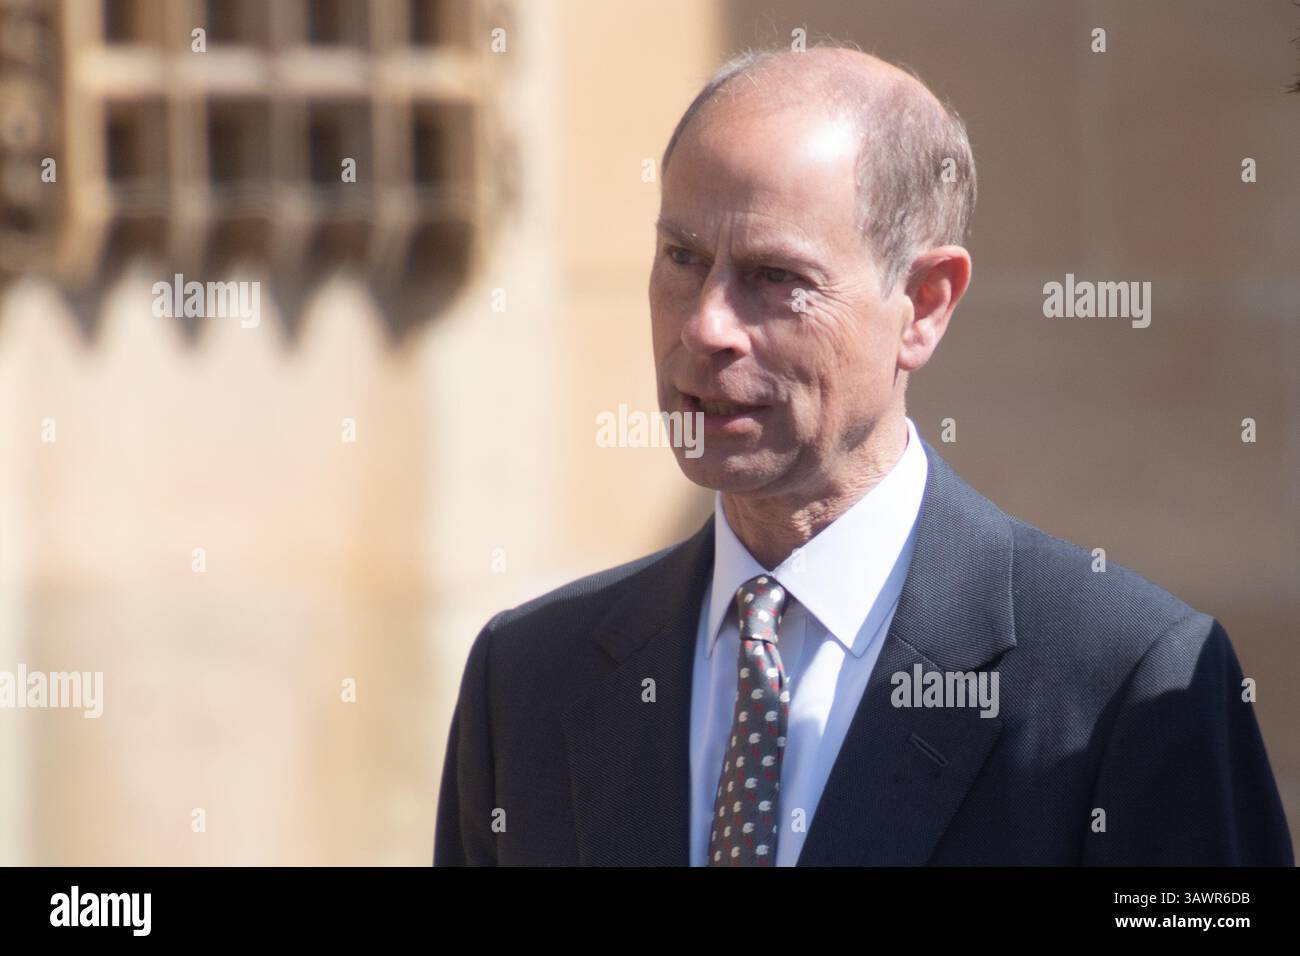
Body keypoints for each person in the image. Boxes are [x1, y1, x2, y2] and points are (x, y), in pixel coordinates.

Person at [434, 44, 1293, 866]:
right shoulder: (528, 680)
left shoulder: (1125, 683)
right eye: (683, 259)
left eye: (776, 278)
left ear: (922, 305)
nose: (705, 326)